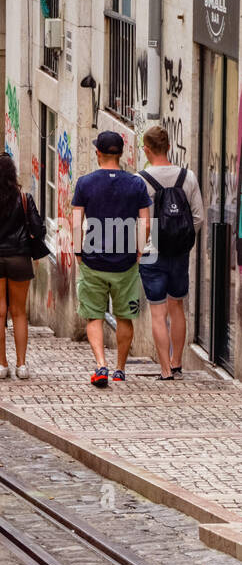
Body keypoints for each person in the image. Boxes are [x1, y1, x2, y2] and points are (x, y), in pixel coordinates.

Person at [72, 131, 152, 388]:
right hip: (126, 262)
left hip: (93, 260)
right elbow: (146, 223)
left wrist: (77, 251)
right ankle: (120, 368)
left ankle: (100, 364)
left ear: (98, 153)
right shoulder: (136, 184)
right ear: (121, 154)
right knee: (124, 317)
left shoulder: (85, 183)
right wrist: (139, 250)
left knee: (94, 316)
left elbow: (76, 221)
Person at [0, 153, 45, 380]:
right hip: (18, 258)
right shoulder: (24, 198)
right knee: (19, 313)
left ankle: (2, 365)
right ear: (12, 175)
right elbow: (39, 229)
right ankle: (21, 365)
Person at [139, 124, 204, 379]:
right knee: (177, 306)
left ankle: (165, 370)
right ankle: (178, 362)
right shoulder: (188, 177)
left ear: (146, 149)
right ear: (169, 147)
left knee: (157, 311)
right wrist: (182, 239)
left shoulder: (140, 179)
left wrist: (139, 249)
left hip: (151, 251)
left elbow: (139, 221)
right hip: (179, 252)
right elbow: (198, 217)